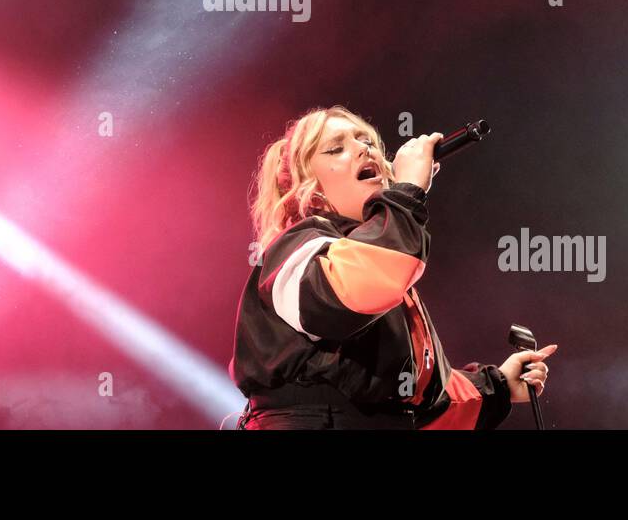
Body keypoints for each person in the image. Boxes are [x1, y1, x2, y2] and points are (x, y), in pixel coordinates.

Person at [228, 105, 557, 429]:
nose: (363, 148)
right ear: (311, 192)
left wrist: (498, 386)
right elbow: (348, 291)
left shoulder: (384, 269)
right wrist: (407, 193)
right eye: (336, 148)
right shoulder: (298, 247)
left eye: (367, 141)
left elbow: (416, 404)